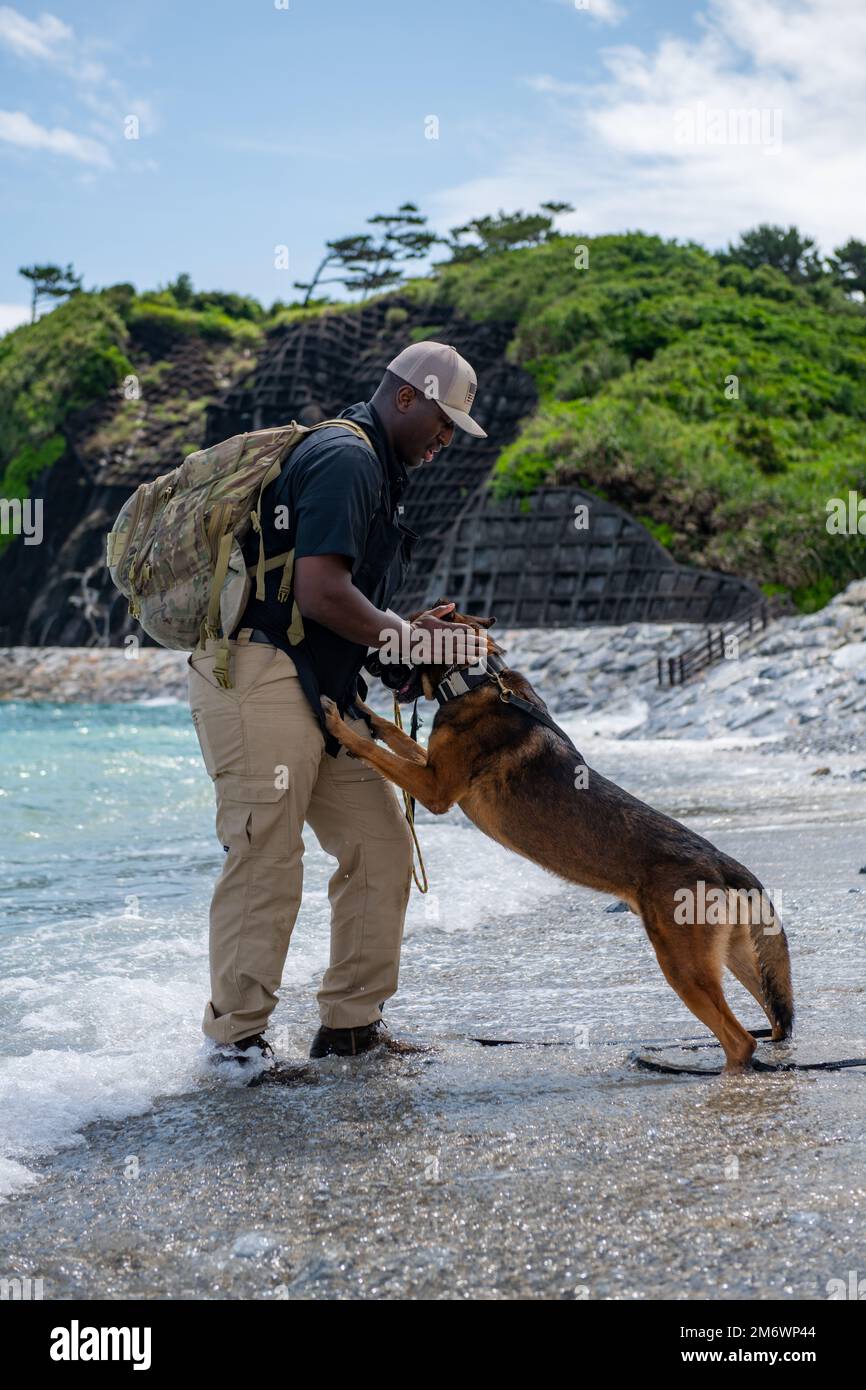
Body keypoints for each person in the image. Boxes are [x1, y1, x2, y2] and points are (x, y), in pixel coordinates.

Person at [188, 341, 488, 1073]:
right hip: (258, 677)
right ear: (407, 397)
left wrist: (400, 653)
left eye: (456, 430)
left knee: (380, 847)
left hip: (319, 690)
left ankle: (349, 1030)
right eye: (443, 422)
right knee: (267, 856)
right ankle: (235, 1048)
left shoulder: (379, 476)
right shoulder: (348, 459)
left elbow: (333, 608)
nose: (445, 439)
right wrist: (413, 641)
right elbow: (322, 593)